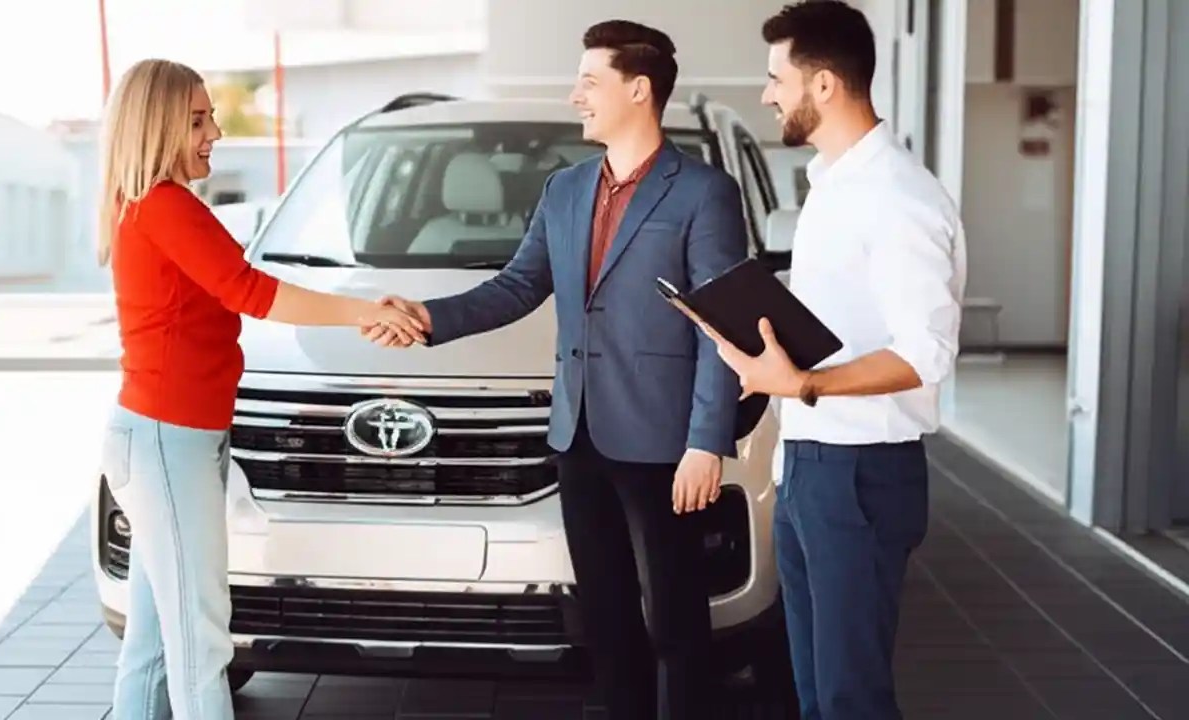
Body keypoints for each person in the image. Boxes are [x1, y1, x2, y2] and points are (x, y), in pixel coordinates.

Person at [363, 20, 747, 720]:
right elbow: (516, 287)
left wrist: (706, 440)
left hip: (664, 442)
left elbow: (722, 324)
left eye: (589, 82)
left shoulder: (703, 192)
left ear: (639, 89)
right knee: (606, 617)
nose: (576, 96)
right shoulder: (565, 189)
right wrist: (425, 318)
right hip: (579, 435)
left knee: (676, 619)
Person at [96, 58, 423, 720]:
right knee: (200, 643)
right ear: (158, 126)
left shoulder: (152, 204)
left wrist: (363, 305)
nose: (214, 132)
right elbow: (251, 292)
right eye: (197, 120)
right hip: (167, 443)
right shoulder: (165, 206)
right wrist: (365, 311)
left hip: (169, 437)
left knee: (155, 646)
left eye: (211, 117)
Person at [705, 2, 967, 718]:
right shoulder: (832, 185)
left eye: (776, 78)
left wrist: (804, 383)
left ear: (822, 84)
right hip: (810, 463)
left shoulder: (897, 197)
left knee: (852, 697)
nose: (767, 95)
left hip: (860, 472)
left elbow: (926, 352)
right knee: (817, 694)